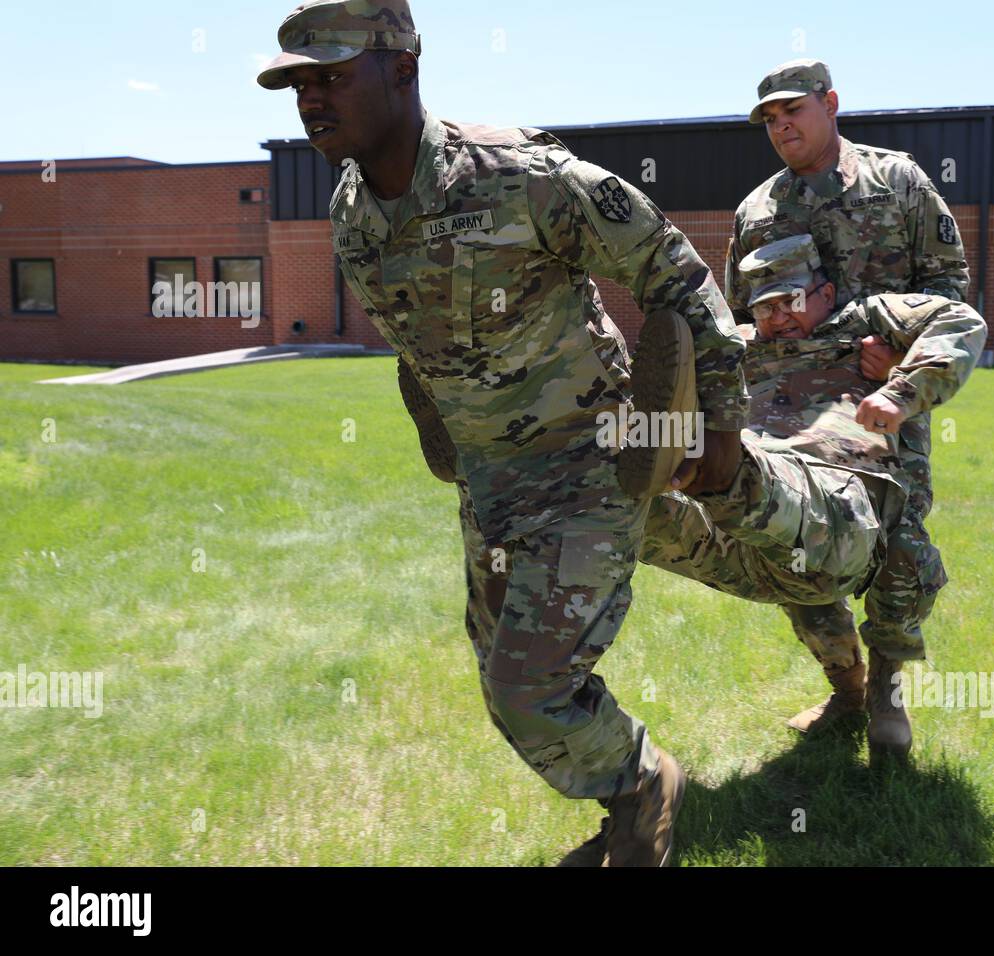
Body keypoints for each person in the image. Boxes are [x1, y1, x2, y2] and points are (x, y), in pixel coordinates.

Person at [258, 0, 750, 866]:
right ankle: (626, 801)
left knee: (532, 689)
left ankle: (645, 787)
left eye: (330, 75)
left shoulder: (516, 175)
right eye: (299, 82)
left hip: (593, 459)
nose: (310, 99)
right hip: (491, 485)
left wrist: (716, 420)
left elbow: (671, 268)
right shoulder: (350, 211)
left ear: (403, 67)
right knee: (502, 686)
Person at [643, 236, 986, 755]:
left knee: (884, 552)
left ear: (825, 293)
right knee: (639, 509)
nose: (778, 318)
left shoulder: (863, 320)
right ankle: (848, 693)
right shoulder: (740, 344)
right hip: (756, 521)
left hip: (845, 502)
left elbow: (960, 321)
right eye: (765, 308)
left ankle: (884, 692)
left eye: (791, 301)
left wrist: (902, 388)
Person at [723, 59, 972, 748]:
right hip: (790, 410)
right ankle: (847, 689)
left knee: (896, 545)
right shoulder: (756, 210)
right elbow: (738, 315)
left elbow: (952, 293)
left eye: (793, 112)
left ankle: (889, 699)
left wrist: (900, 369)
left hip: (885, 405)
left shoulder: (899, 183)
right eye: (771, 120)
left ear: (831, 103)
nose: (782, 128)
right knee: (795, 545)